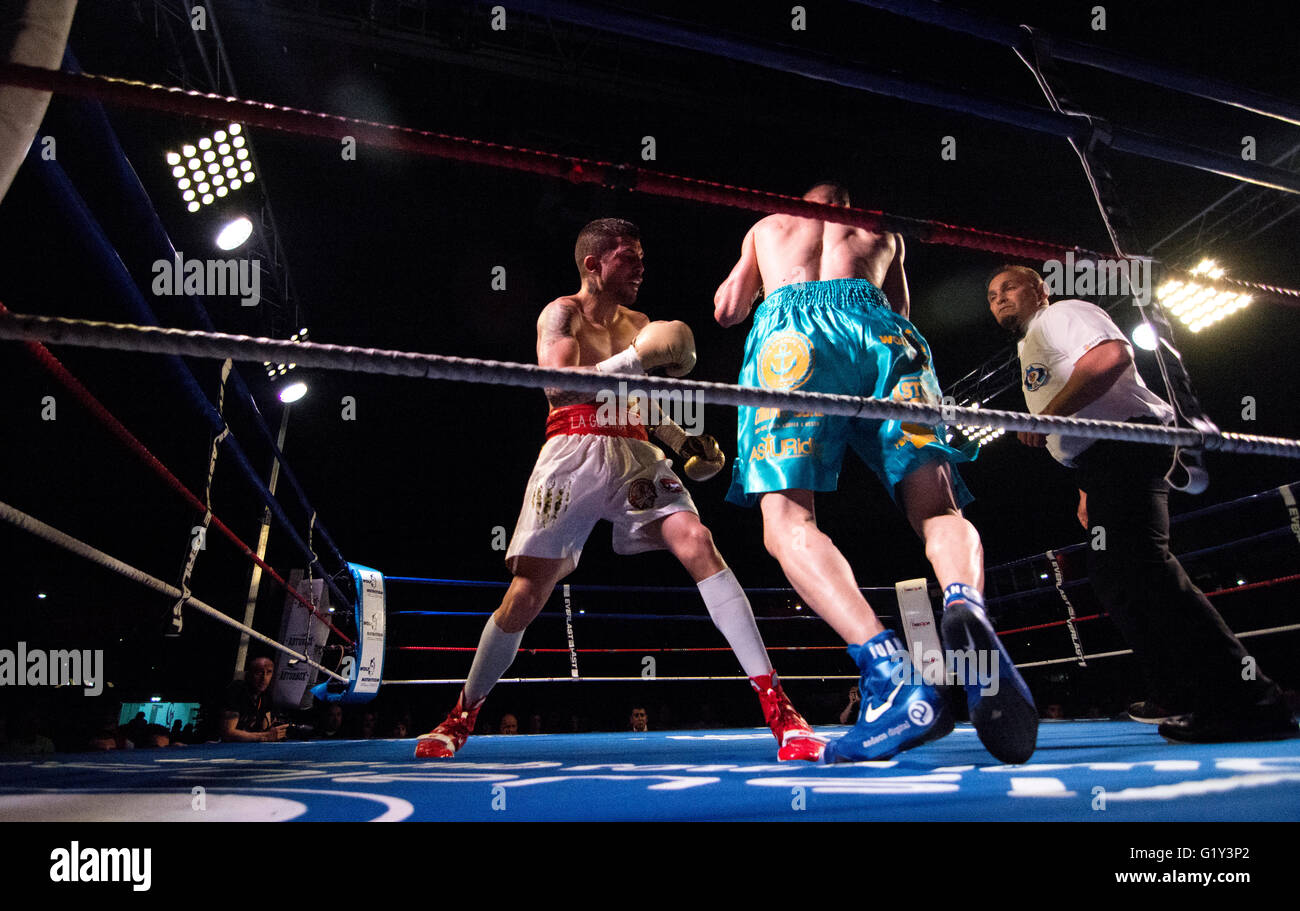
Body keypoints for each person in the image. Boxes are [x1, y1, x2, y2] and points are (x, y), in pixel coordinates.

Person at [416, 218, 818, 760]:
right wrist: (638, 358)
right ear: (593, 264)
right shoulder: (561, 313)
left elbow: (639, 400)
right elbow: (558, 384)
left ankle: (779, 710)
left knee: (697, 541)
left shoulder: (641, 321)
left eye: (642, 257)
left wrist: (684, 441)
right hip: (571, 447)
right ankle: (459, 716)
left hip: (632, 450)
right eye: (628, 257)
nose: (640, 266)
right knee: (528, 593)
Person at [714, 182, 1038, 764]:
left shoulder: (768, 225)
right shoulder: (883, 231)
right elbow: (902, 312)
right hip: (885, 336)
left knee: (786, 522)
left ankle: (889, 672)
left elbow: (727, 310)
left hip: (794, 340)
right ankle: (965, 601)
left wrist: (766, 278)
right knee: (938, 509)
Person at [987, 264, 1297, 743]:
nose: (1000, 299)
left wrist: (1050, 417)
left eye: (1009, 287)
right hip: (1104, 460)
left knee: (1144, 569)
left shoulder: (1063, 313)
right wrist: (1085, 484)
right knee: (1116, 579)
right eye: (991, 296)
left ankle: (1249, 698)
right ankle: (1177, 691)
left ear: (1040, 289)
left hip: (1128, 447)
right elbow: (1085, 417)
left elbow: (1111, 357)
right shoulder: (1030, 345)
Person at [221, 656, 289, 742]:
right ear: (249, 674)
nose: (264, 678)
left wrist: (278, 731)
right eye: (259, 673)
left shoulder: (265, 695)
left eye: (269, 672)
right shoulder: (237, 690)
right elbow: (228, 733)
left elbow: (264, 729)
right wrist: (265, 736)